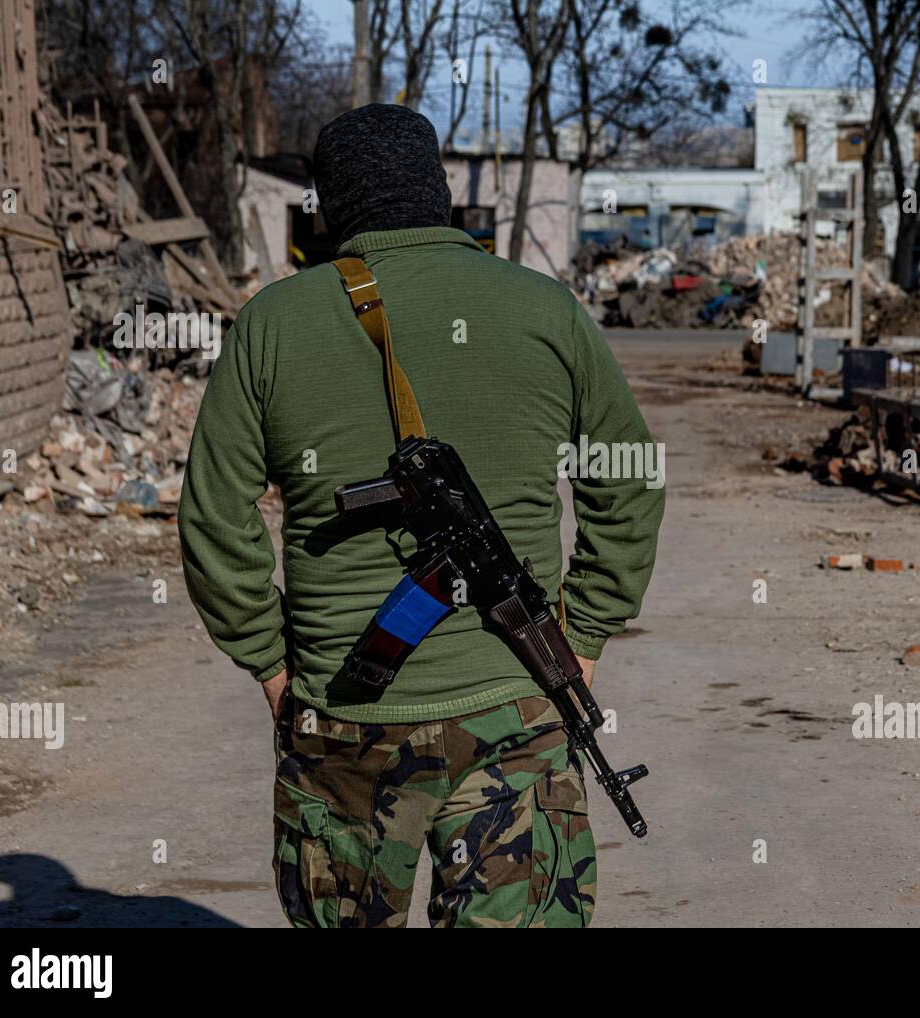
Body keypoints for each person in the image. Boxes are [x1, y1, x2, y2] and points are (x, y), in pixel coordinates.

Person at [178, 104, 664, 928]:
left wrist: (270, 666)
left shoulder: (273, 321)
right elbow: (630, 481)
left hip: (340, 726)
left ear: (328, 209)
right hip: (517, 713)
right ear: (439, 192)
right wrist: (583, 638)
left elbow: (214, 518)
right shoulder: (546, 309)